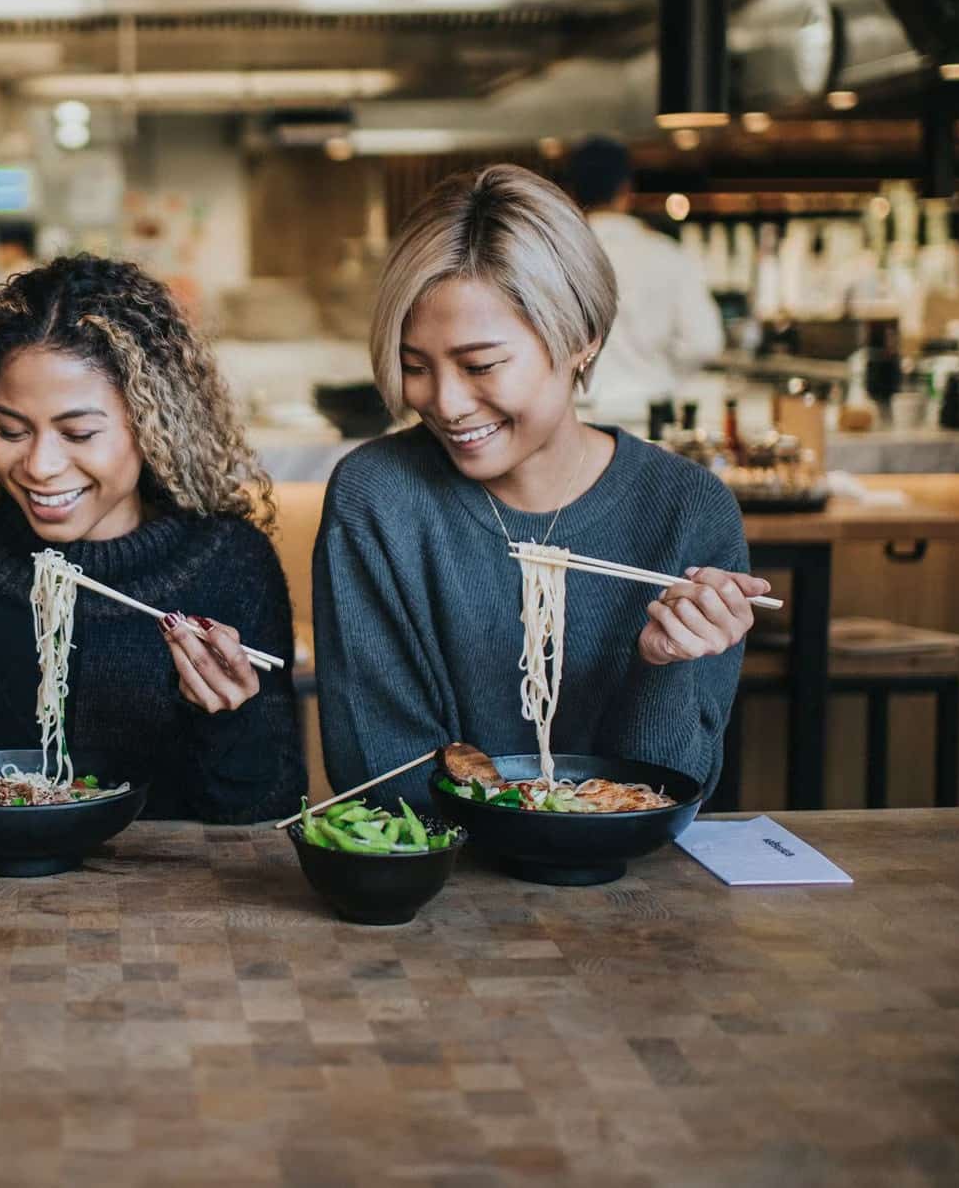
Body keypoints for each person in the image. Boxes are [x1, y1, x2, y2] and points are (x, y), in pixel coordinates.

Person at [314, 165, 769, 808]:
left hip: (633, 889)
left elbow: (672, 791)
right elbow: (380, 776)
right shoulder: (378, 498)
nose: (444, 402)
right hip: (439, 885)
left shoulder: (686, 510)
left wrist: (666, 665)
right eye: (415, 366)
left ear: (582, 339)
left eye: (481, 365)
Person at [0, 254, 304, 828]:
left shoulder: (229, 563)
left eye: (78, 433)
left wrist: (230, 719)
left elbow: (267, 812)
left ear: (154, 427)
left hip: (164, 904)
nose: (40, 466)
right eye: (11, 431)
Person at [565, 136, 725, 430]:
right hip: (649, 413)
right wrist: (660, 368)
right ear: (626, 190)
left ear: (572, 192)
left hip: (575, 416)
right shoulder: (666, 255)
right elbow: (705, 342)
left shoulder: (555, 255)